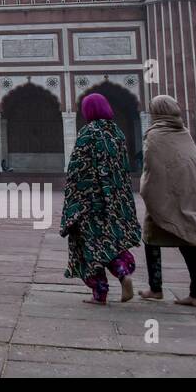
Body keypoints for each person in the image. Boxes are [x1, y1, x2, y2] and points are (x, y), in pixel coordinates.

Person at [137, 95, 196, 307]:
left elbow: (151, 170)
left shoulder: (155, 135)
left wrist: (147, 191)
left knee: (150, 241)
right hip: (185, 195)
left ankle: (156, 289)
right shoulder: (183, 133)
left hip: (162, 197)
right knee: (187, 243)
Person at [60, 92, 141, 305]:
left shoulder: (88, 133)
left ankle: (101, 291)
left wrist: (73, 203)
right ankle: (123, 273)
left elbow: (77, 170)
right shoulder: (118, 134)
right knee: (110, 240)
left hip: (90, 203)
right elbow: (123, 169)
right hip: (115, 201)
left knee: (90, 245)